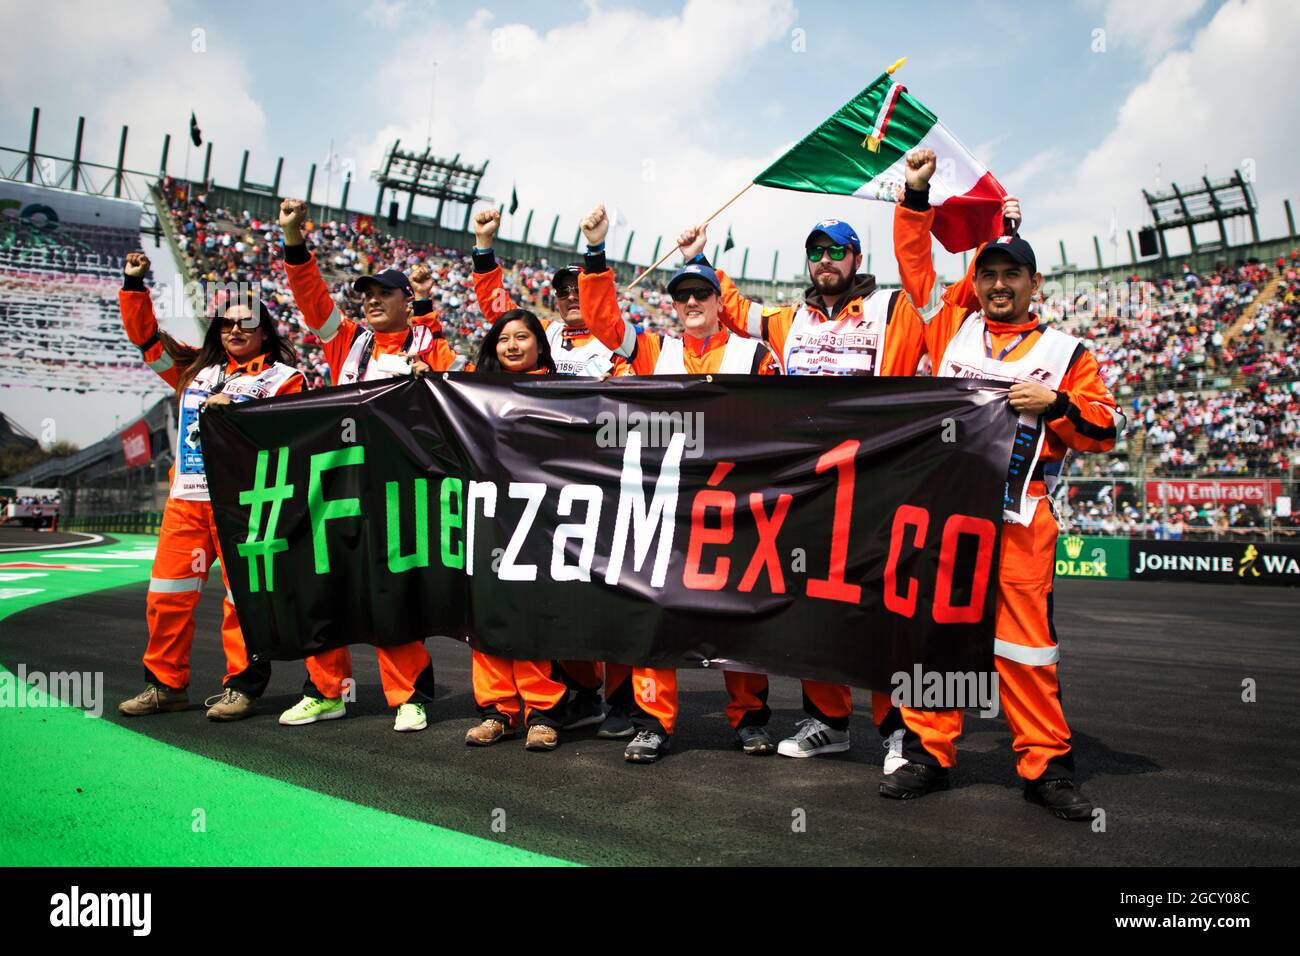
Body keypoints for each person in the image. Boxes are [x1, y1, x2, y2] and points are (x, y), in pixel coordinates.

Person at [884, 148, 1125, 819]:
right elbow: (915, 270)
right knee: (940, 639)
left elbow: (1104, 430)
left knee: (1026, 650)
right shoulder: (949, 331)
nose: (997, 284)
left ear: (1033, 283)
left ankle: (1045, 764)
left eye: (1010, 275)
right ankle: (930, 752)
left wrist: (1057, 407)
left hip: (1021, 519)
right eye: (988, 273)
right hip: (948, 522)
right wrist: (913, 196)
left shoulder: (1067, 353)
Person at [692, 216, 929, 771]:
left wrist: (915, 206)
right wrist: (704, 259)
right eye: (816, 250)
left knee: (884, 611)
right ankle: (829, 723)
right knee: (816, 609)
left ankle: (899, 730)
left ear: (855, 257)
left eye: (837, 250)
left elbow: (929, 310)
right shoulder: (786, 320)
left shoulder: (891, 309)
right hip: (811, 490)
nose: (825, 260)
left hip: (878, 484)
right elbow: (730, 307)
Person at [577, 203, 780, 763]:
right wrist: (596, 252)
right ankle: (652, 722)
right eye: (682, 296)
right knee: (654, 615)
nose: (691, 303)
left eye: (701, 294)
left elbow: (779, 427)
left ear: (720, 300)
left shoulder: (754, 353)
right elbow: (602, 323)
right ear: (673, 304)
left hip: (734, 511)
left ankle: (750, 717)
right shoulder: (653, 349)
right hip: (662, 509)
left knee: (738, 617)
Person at [276, 197, 452, 733]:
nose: (372, 301)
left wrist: (430, 376)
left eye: (383, 293)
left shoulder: (433, 345)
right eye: (367, 294)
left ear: (406, 301)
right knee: (323, 584)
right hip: (336, 482)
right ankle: (325, 691)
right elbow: (312, 303)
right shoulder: (348, 343)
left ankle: (409, 697)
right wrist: (293, 242)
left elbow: (451, 404)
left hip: (398, 488)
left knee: (391, 591)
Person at [115, 251, 305, 721]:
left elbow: (293, 439)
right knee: (166, 596)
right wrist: (134, 286)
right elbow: (145, 340)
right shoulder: (192, 370)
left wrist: (239, 415)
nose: (234, 331)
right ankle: (164, 686)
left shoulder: (285, 378)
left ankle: (241, 688)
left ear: (265, 332)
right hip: (186, 503)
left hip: (245, 505)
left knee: (242, 603)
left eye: (246, 323)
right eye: (225, 324)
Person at [468, 208, 630, 740]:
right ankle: (547, 702)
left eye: (576, 290)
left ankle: (614, 700)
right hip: (518, 503)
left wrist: (595, 251)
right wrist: (484, 249)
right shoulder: (540, 339)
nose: (568, 298)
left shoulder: (613, 342)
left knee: (590, 604)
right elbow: (499, 315)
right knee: (527, 602)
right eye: (560, 293)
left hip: (587, 496)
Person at [461, 308, 593, 751]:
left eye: (522, 337)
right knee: (489, 611)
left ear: (541, 343)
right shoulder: (470, 390)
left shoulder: (564, 391)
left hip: (545, 518)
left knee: (535, 611)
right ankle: (498, 711)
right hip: (488, 514)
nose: (512, 345)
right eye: (503, 338)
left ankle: (543, 712)